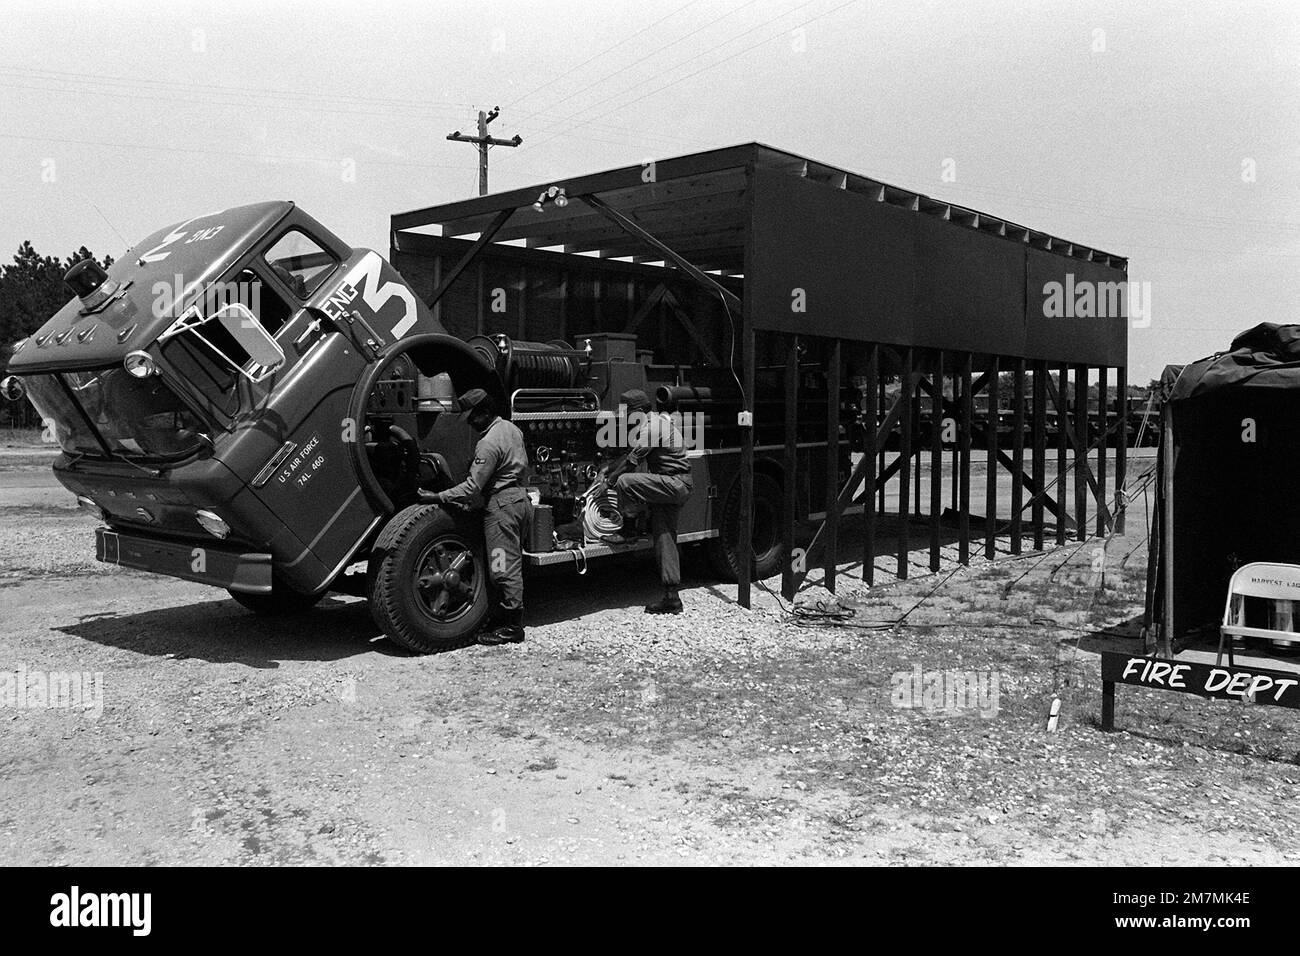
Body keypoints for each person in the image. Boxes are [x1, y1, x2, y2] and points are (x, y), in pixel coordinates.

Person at [425, 388, 531, 645]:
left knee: (501, 566)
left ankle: (512, 627)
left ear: (485, 411)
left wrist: (438, 497)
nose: (471, 422)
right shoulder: (510, 428)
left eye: (473, 416)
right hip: (519, 500)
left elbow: (472, 487)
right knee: (508, 561)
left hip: (502, 507)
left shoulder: (488, 442)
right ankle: (503, 616)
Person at [597, 388, 693, 615]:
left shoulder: (653, 427)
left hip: (674, 483)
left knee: (625, 482)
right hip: (670, 484)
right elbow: (630, 454)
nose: (624, 417)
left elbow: (631, 462)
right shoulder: (651, 425)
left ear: (639, 411)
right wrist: (608, 467)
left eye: (627, 412)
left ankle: (629, 529)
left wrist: (609, 481)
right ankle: (672, 596)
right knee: (664, 537)